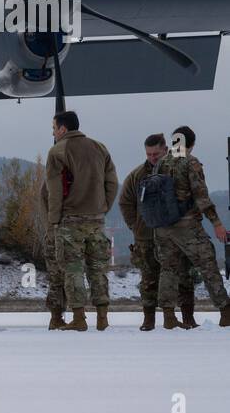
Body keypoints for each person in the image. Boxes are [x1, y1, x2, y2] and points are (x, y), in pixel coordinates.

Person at [46, 110, 117, 332]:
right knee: (98, 269)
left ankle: (78, 318)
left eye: (54, 129)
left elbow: (54, 191)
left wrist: (54, 221)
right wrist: (102, 208)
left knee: (73, 269)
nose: (54, 133)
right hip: (97, 220)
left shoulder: (57, 151)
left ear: (63, 129)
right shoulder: (100, 147)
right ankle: (102, 317)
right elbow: (112, 183)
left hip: (70, 220)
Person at [153, 126, 230, 329]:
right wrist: (217, 224)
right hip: (187, 226)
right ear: (192, 144)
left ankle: (169, 316)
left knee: (168, 269)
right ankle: (226, 311)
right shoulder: (190, 162)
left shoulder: (162, 162)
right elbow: (201, 196)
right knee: (208, 265)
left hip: (162, 226)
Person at [118, 134, 195, 330]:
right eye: (149, 154)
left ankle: (187, 317)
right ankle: (149, 320)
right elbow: (125, 202)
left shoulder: (177, 170)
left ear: (165, 149)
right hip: (146, 236)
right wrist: (135, 226)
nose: (152, 157)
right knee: (149, 280)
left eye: (156, 153)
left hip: (175, 234)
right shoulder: (137, 175)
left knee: (183, 276)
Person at [38, 177, 67, 330]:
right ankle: (56, 317)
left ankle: (66, 316)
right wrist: (51, 230)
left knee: (69, 278)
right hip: (55, 236)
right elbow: (43, 205)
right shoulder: (51, 178)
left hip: (68, 236)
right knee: (57, 279)